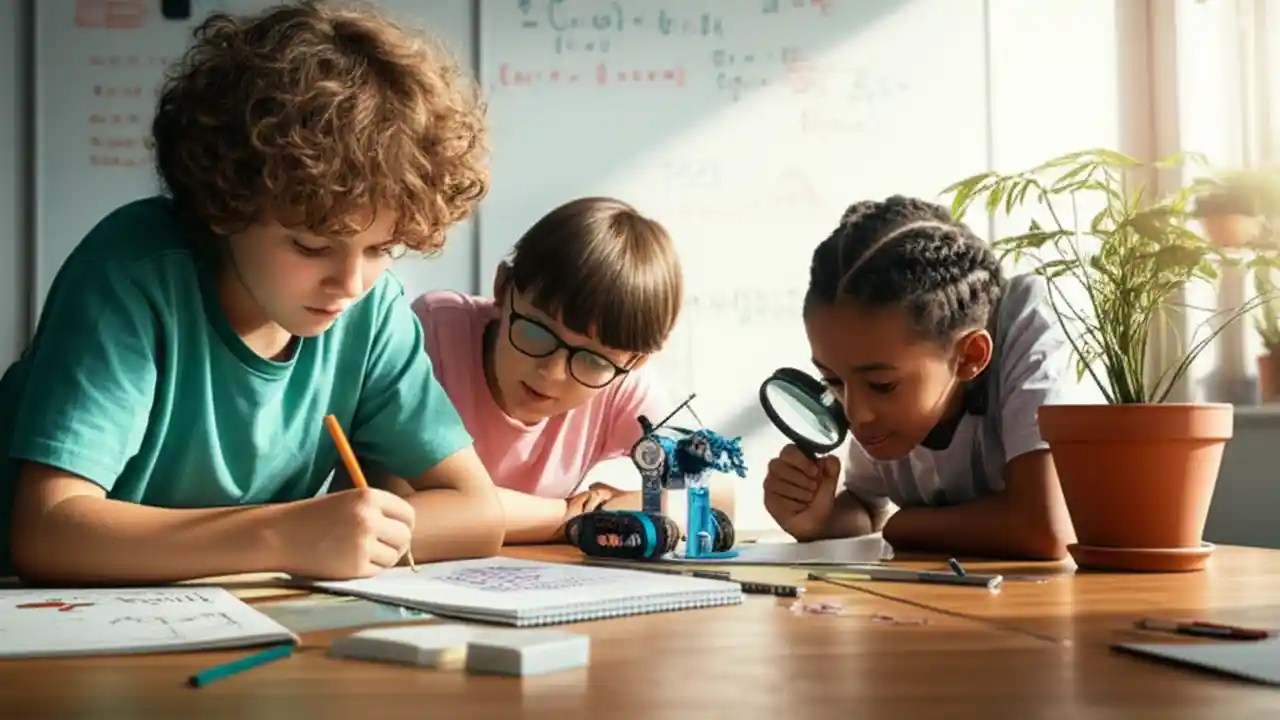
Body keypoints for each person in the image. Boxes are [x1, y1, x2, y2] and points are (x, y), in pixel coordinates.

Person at [0, 1, 503, 583]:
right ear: (225, 205)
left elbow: (477, 511)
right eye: (311, 247)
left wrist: (347, 532)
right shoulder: (132, 274)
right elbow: (46, 530)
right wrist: (284, 534)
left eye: (379, 248)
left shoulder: (373, 311)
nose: (350, 284)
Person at [762, 195, 1076, 560]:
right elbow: (868, 508)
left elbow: (1044, 530)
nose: (857, 415)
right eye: (833, 381)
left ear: (970, 356)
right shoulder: (879, 409)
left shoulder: (1026, 321)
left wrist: (903, 525)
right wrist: (821, 521)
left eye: (882, 385)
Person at [410, 197, 734, 544]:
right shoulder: (435, 332)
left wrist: (634, 503)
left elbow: (715, 492)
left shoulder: (621, 380)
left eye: (590, 360)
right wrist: (574, 518)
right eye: (536, 332)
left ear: (634, 362)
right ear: (503, 288)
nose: (551, 371)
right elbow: (405, 510)